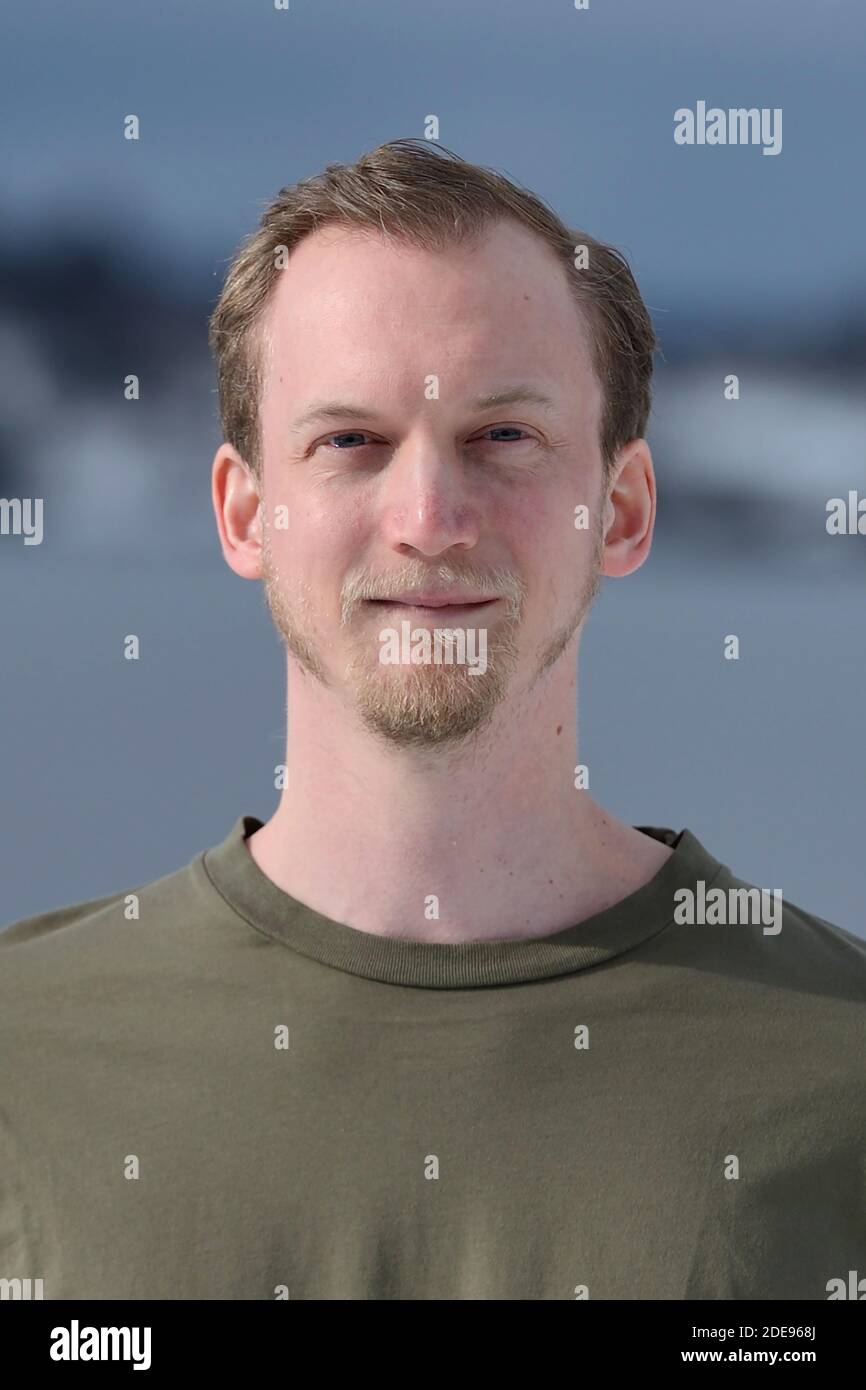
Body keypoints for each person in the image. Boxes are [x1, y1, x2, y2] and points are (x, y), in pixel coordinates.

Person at [2, 141, 863, 1302]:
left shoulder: (836, 1070)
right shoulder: (28, 1058)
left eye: (502, 437)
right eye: (349, 441)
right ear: (245, 512)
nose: (428, 517)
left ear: (618, 508)